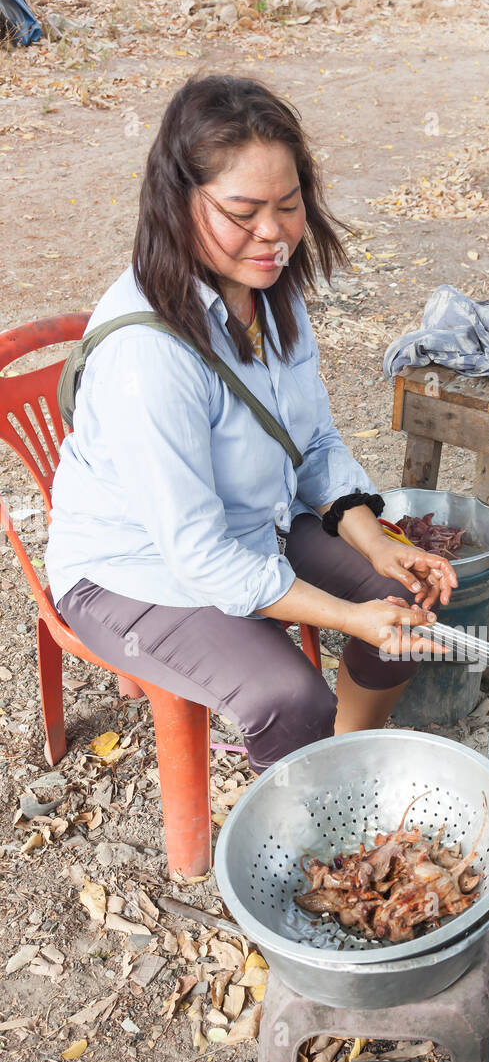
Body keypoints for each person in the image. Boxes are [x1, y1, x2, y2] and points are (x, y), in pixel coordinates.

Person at [45, 74, 457, 774]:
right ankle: (302, 835)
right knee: (286, 695)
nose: (274, 234)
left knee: (400, 602)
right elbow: (198, 557)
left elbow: (312, 441)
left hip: (251, 521)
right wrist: (351, 619)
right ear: (179, 202)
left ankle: (340, 761)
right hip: (133, 570)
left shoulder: (270, 293)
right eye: (243, 212)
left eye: (290, 205)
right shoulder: (148, 356)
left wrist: (373, 541)